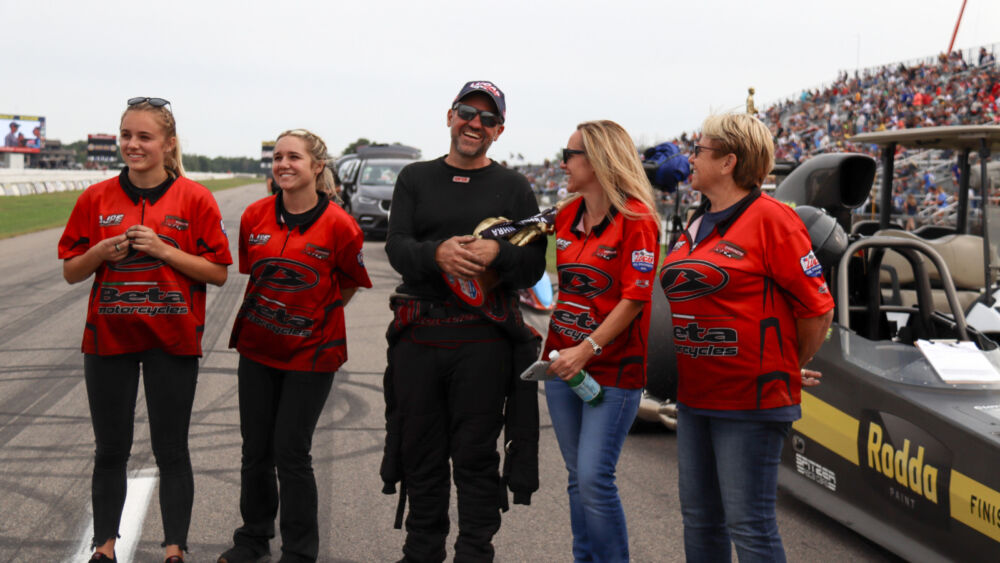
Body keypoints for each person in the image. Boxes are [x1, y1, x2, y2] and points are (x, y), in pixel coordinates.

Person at [57, 97, 232, 563]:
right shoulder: (95, 198)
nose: (132, 145)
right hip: (108, 340)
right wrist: (99, 253)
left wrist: (162, 250)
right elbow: (72, 271)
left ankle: (175, 548)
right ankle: (104, 546)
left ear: (168, 143)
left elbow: (217, 272)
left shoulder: (194, 197)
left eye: (144, 137)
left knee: (171, 448)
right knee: (109, 449)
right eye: (126, 135)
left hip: (172, 339)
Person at [381, 80, 546, 563]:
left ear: (499, 130)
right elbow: (396, 246)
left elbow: (534, 264)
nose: (475, 124)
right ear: (449, 116)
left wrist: (497, 251)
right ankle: (421, 552)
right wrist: (437, 254)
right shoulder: (414, 177)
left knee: (475, 458)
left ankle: (475, 553)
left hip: (483, 343)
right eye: (466, 113)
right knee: (420, 454)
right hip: (421, 336)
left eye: (487, 119)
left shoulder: (514, 187)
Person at [659, 113, 834, 562]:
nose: (689, 158)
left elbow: (818, 309)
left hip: (751, 402)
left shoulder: (773, 219)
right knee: (699, 519)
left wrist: (785, 364)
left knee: (749, 525)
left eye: (699, 150)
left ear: (728, 161)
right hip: (695, 397)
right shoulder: (698, 221)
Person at [219, 129, 372, 563]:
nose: (283, 164)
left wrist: (311, 316)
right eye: (278, 156)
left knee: (290, 451)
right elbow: (255, 272)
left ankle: (300, 552)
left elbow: (347, 285)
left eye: (294, 157)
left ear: (317, 167)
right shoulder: (253, 216)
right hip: (257, 347)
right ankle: (252, 538)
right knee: (255, 450)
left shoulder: (340, 225)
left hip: (312, 353)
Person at [542, 120, 661, 562]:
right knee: (577, 477)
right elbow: (511, 239)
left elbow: (634, 299)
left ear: (597, 160)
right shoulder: (564, 214)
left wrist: (587, 348)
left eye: (570, 154)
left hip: (612, 368)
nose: (563, 162)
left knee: (594, 477)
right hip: (561, 365)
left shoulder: (637, 219)